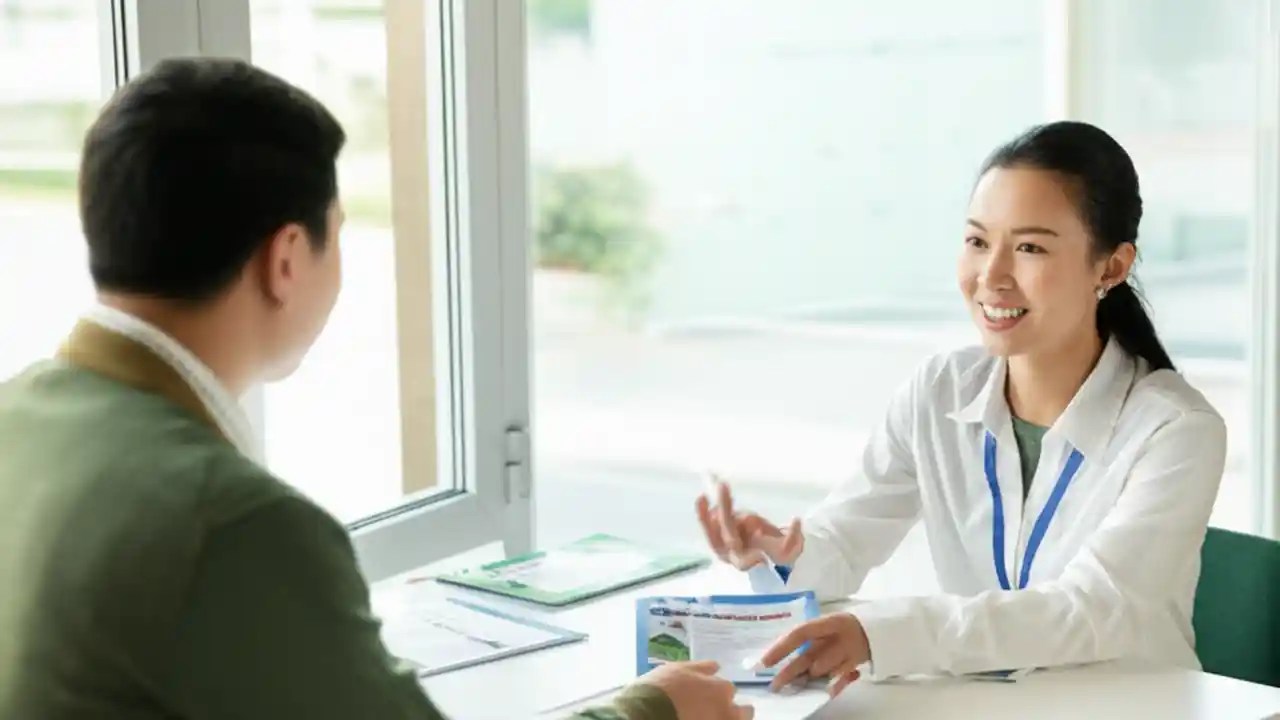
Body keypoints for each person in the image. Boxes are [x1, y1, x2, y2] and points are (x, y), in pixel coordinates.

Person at [0, 57, 752, 720]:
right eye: (337, 233)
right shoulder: (235, 524)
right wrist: (652, 711)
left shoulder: (19, 418)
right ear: (286, 259)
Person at [696, 121, 1227, 693]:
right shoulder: (939, 391)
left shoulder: (1177, 430)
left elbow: (1093, 609)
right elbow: (846, 539)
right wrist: (780, 554)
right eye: (977, 242)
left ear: (1112, 267)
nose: (991, 276)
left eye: (1029, 248)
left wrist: (880, 634)